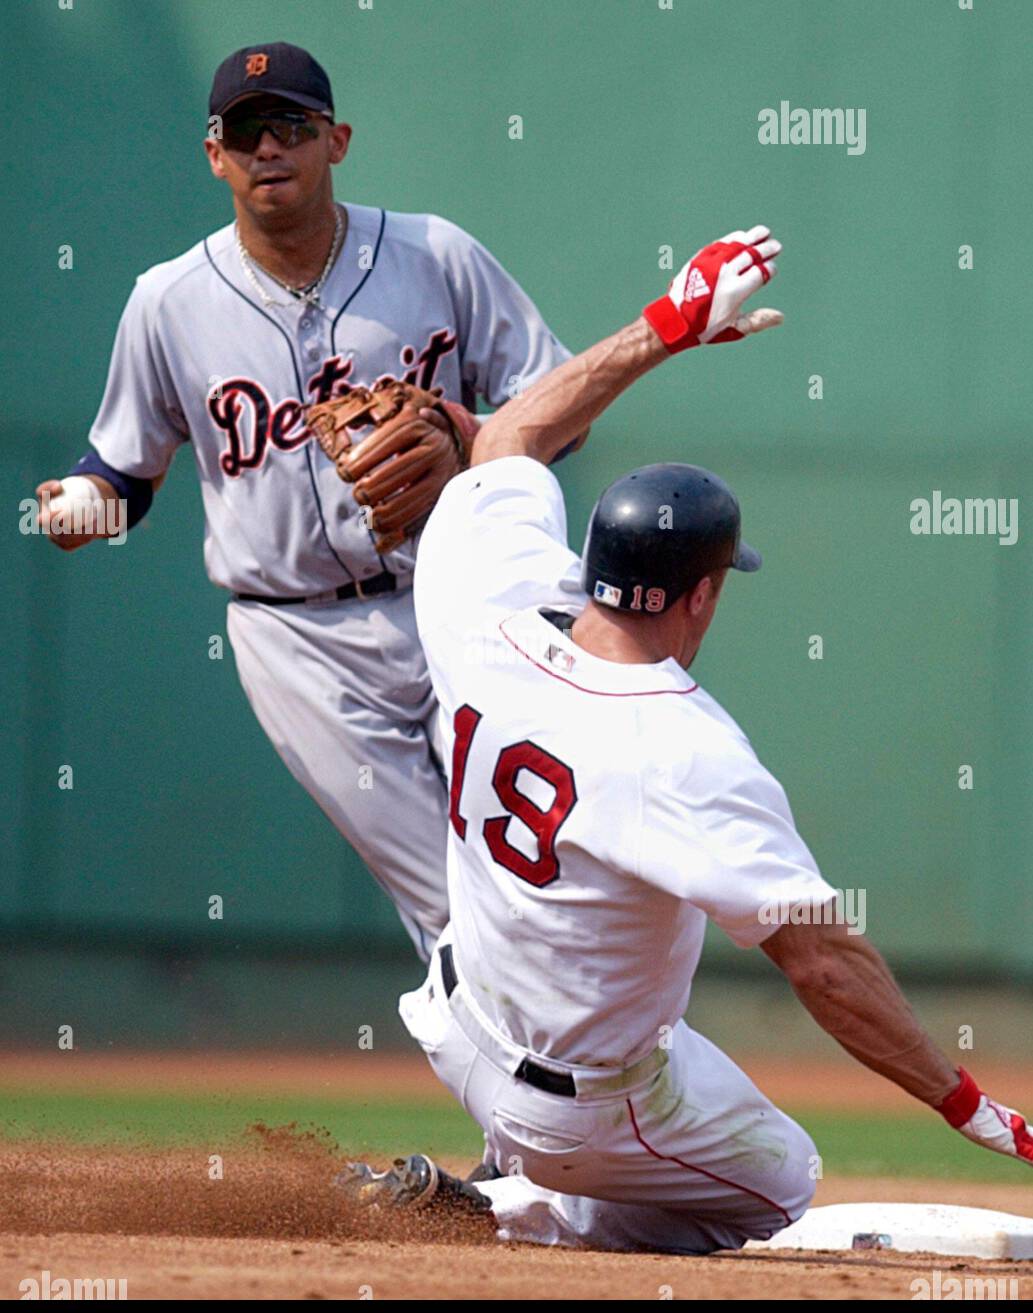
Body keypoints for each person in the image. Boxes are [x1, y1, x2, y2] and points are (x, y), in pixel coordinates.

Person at [336, 225, 1033, 1253]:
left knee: (669, 1097)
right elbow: (826, 965)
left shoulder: (481, 597)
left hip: (453, 1023)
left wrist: (664, 327)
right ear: (701, 594)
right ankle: (514, 1215)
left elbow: (506, 441)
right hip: (571, 1108)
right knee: (779, 1187)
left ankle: (482, 1197)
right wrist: (965, 1100)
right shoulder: (684, 748)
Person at [34, 41, 572, 962]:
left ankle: (574, 1078)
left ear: (338, 140)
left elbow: (558, 403)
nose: (268, 148)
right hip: (297, 642)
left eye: (292, 125)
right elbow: (122, 476)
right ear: (214, 155)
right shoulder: (166, 302)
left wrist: (472, 442)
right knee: (451, 902)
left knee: (536, 865)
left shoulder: (435, 254)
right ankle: (545, 1092)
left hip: (460, 598)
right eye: (245, 131)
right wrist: (77, 507)